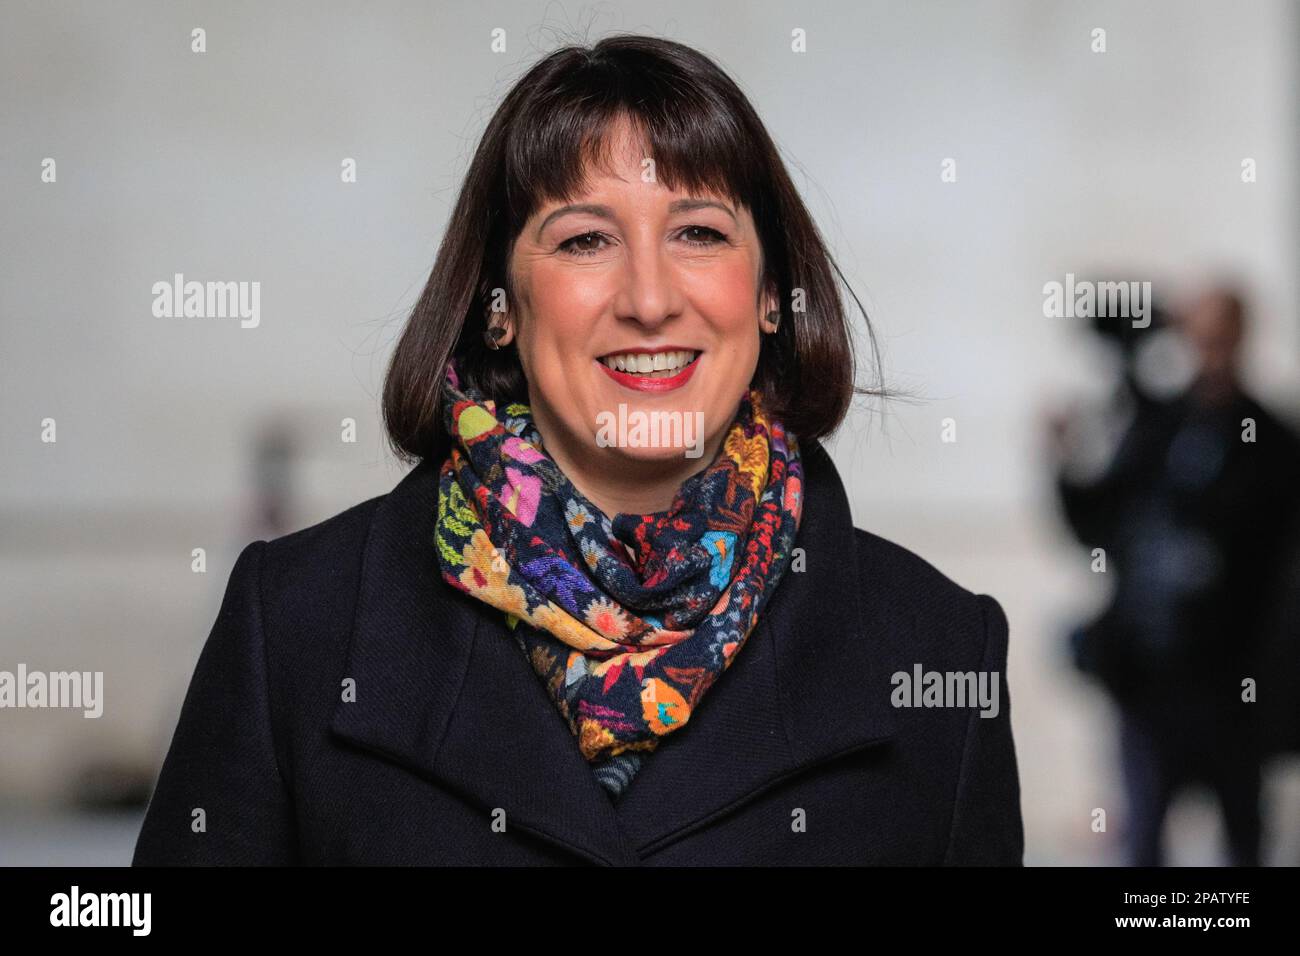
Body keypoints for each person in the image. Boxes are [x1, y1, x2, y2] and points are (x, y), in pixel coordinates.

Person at [132, 34, 1023, 866]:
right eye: (586, 239)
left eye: (699, 233)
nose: (647, 298)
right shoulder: (294, 626)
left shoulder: (942, 652)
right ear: (500, 307)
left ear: (770, 295)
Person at [1052, 285, 1300, 866]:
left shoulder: (1272, 442)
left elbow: (1284, 569)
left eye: (1220, 337)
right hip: (1148, 677)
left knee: (1243, 834)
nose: (1208, 351)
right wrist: (1066, 465)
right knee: (1143, 836)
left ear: (1241, 339)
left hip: (1235, 682)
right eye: (1198, 336)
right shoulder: (1157, 428)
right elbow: (1098, 526)